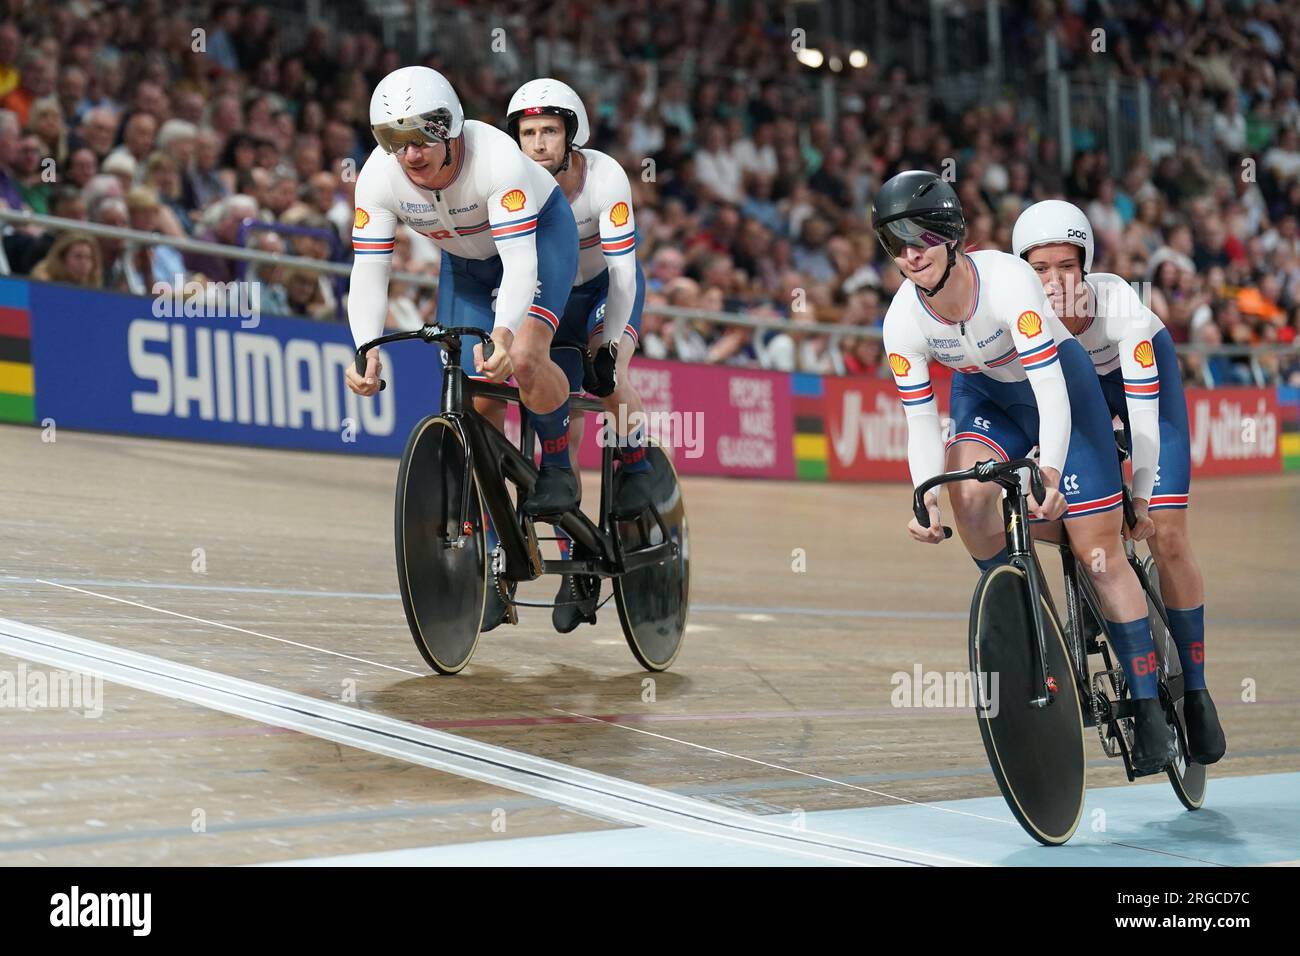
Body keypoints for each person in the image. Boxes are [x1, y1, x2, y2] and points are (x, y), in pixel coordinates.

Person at [876, 170, 1179, 773]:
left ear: (952, 238)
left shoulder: (1009, 284)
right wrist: (922, 497)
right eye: (895, 243)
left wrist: (1051, 469)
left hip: (1058, 390)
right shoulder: (901, 322)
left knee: (1098, 554)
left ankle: (1147, 702)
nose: (910, 255)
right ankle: (1028, 614)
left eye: (921, 239)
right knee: (965, 496)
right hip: (985, 397)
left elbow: (1050, 391)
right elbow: (919, 422)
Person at [345, 66, 580, 632]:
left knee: (521, 356)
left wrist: (504, 332)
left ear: (451, 131)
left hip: (537, 237)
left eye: (422, 138)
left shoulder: (496, 158)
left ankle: (559, 467)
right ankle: (499, 555)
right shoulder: (377, 178)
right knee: (474, 402)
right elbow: (369, 270)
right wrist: (365, 347)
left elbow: (522, 264)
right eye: (393, 141)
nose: (410, 155)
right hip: (468, 266)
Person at [1012, 200, 1225, 764]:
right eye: (1039, 268)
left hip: (1145, 400)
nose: (1055, 281)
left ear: (1086, 264)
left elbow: (1144, 413)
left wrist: (1141, 496)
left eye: (1066, 265)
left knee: (1168, 536)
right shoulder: (1024, 321)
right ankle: (1086, 604)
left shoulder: (1122, 308)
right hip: (1083, 411)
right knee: (1052, 516)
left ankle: (1197, 690)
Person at [506, 77, 653, 633]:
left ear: (572, 136)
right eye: (528, 133)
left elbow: (621, 272)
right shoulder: (512, 182)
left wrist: (610, 344)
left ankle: (636, 460)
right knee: (553, 421)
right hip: (551, 301)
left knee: (606, 381)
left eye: (549, 131)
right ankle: (575, 559)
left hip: (603, 295)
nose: (539, 144)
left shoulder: (606, 176)